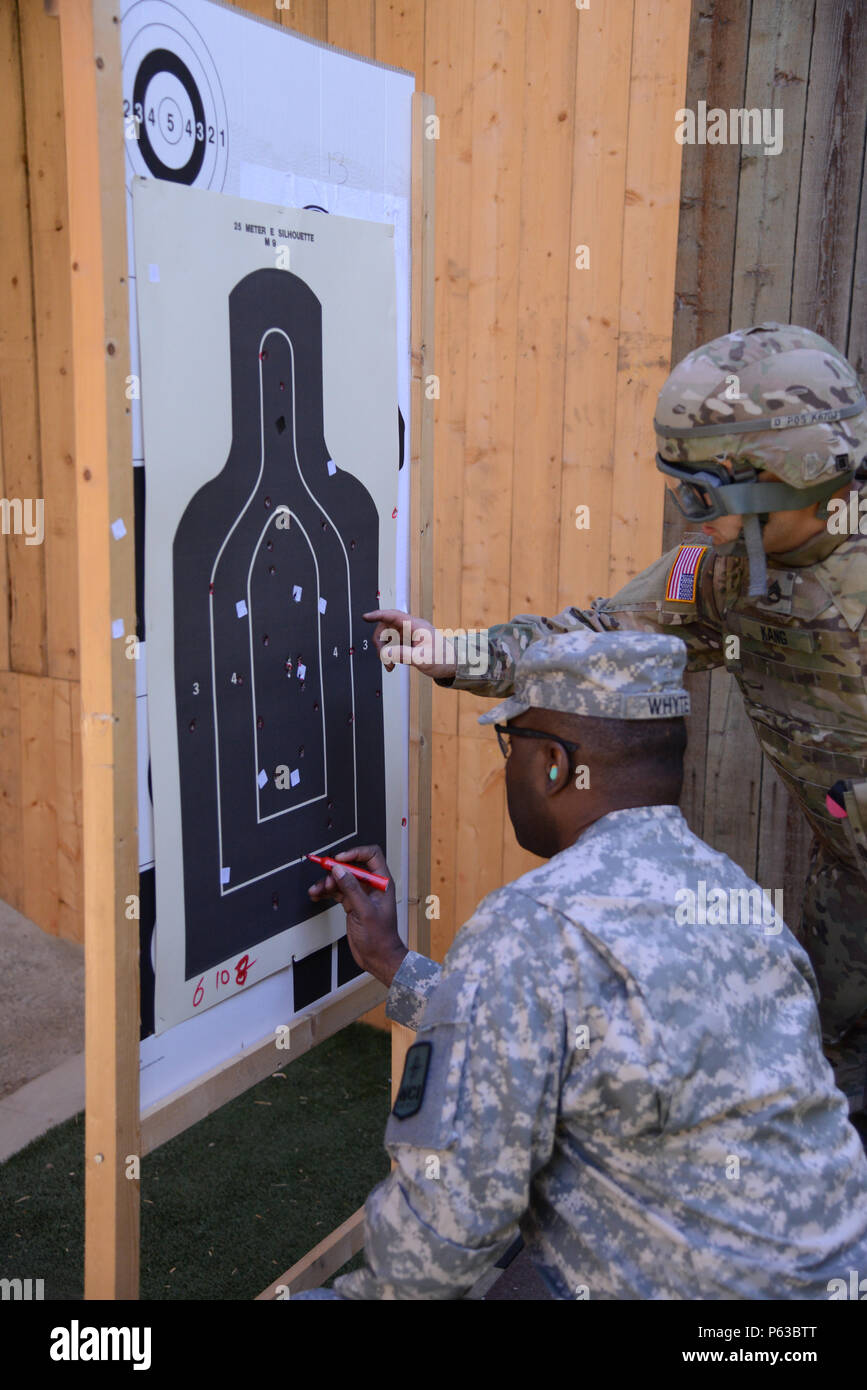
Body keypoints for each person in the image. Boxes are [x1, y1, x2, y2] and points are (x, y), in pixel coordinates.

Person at [365, 322, 867, 1122]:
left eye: (703, 496)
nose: (691, 522)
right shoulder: (725, 570)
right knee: (825, 1078)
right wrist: (450, 649)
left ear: (789, 477)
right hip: (850, 887)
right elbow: (594, 639)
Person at [295, 631, 867, 1301]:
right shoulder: (735, 896)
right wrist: (395, 964)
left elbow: (443, 1237)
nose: (506, 768)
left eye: (509, 746)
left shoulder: (530, 921)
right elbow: (581, 1031)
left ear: (554, 765)